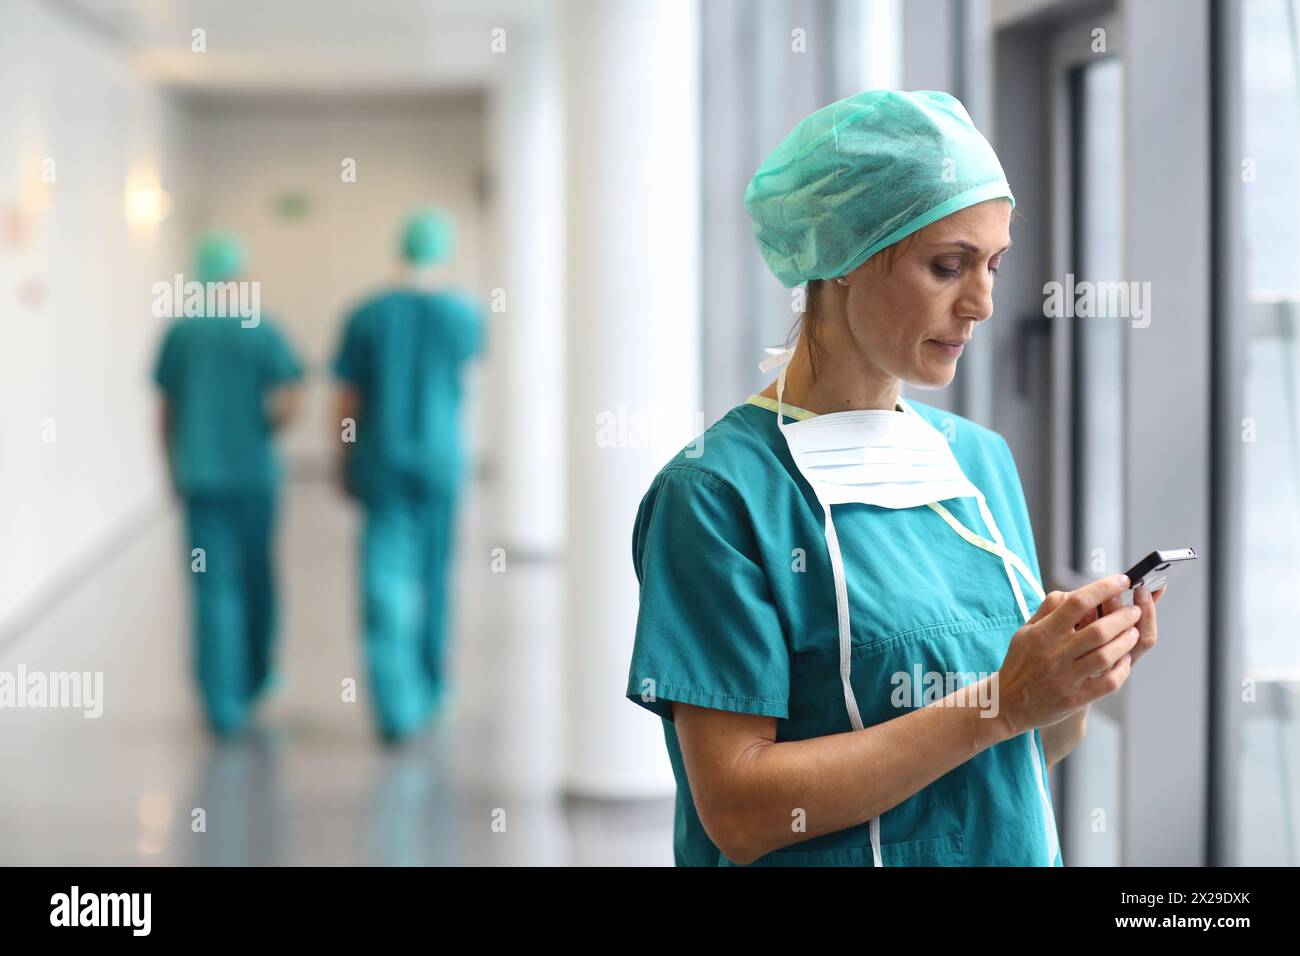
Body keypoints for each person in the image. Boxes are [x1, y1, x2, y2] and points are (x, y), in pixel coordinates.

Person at [625, 89, 1166, 866]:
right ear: (842, 254)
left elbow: (1006, 765)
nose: (980, 304)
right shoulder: (718, 496)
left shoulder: (976, 463)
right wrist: (999, 704)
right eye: (947, 266)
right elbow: (739, 812)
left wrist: (1068, 683)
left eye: (994, 266)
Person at [332, 209, 485, 744]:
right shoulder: (463, 316)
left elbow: (348, 399)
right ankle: (432, 687)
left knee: (385, 581)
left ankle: (395, 705)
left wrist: (342, 455)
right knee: (435, 576)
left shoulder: (367, 315)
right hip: (441, 464)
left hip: (383, 462)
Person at [154, 230, 304, 736]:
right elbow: (289, 398)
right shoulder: (259, 327)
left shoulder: (182, 333)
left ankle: (221, 702)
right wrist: (269, 426)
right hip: (253, 479)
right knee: (257, 578)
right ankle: (254, 679)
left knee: (211, 587)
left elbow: (166, 413)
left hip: (200, 478)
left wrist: (171, 468)